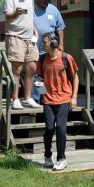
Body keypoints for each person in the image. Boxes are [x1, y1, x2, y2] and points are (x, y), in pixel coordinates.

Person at [37, 32, 79, 171]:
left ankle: (62, 158)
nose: (42, 45)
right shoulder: (42, 59)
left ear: (53, 43)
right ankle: (48, 156)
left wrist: (74, 98)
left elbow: (75, 77)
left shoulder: (67, 58)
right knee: (49, 129)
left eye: (44, 42)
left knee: (61, 129)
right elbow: (40, 79)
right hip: (48, 100)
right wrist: (41, 92)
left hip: (64, 99)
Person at [4, 0, 41, 110]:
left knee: (32, 68)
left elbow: (30, 17)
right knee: (17, 70)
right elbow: (7, 15)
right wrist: (15, 13)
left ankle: (27, 98)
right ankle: (14, 99)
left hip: (29, 38)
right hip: (15, 37)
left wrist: (35, 31)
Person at [30, 0, 65, 102]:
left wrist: (61, 44)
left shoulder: (53, 10)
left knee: (48, 73)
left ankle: (47, 95)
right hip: (34, 47)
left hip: (49, 49)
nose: (46, 1)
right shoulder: (31, 9)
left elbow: (60, 27)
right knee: (36, 73)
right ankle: (37, 97)